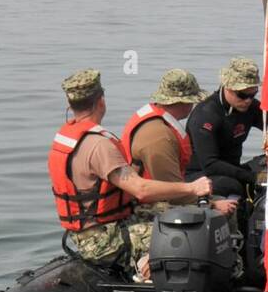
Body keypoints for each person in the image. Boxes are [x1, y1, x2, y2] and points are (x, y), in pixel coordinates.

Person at [48, 69, 211, 275]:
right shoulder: (98, 145)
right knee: (187, 229)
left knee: (172, 212)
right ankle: (145, 271)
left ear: (71, 105)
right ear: (101, 102)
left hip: (86, 231)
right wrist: (192, 188)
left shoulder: (66, 138)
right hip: (102, 239)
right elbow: (140, 189)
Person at [119, 70, 238, 217]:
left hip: (157, 196)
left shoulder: (154, 119)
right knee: (226, 209)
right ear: (183, 102)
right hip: (145, 206)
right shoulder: (159, 137)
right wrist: (212, 204)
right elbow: (172, 194)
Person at [186, 59, 267, 198]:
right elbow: (210, 164)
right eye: (242, 95)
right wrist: (253, 177)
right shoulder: (206, 115)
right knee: (232, 184)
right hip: (201, 174)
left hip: (232, 168)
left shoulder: (251, 107)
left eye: (252, 95)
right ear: (227, 87)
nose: (248, 100)